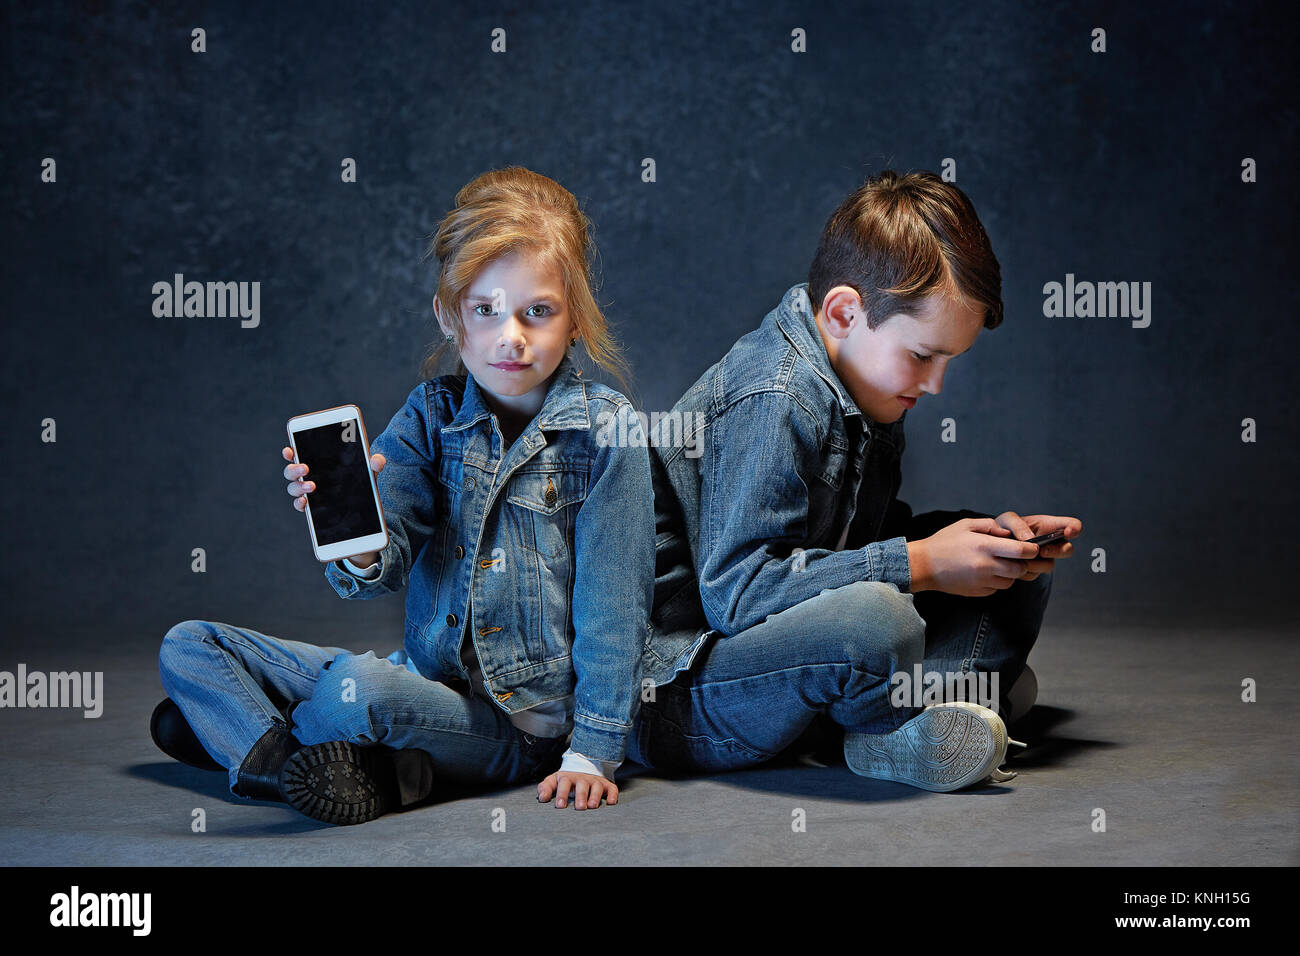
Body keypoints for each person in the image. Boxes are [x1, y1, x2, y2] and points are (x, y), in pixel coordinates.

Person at [151, 166, 654, 824]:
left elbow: (614, 610)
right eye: (486, 310)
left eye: (539, 311)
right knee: (189, 645)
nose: (512, 334)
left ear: (575, 319)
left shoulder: (607, 432)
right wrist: (351, 531)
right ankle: (300, 765)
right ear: (450, 317)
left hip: (520, 725)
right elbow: (378, 570)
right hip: (424, 680)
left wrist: (593, 751)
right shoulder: (429, 416)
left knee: (358, 697)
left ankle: (250, 741)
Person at [631, 169, 1083, 792]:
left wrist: (974, 546)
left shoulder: (865, 380)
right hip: (689, 689)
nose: (935, 385)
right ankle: (914, 719)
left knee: (1001, 573)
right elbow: (738, 597)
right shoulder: (775, 394)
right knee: (876, 621)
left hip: (781, 650)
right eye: (924, 355)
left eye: (950, 361)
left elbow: (840, 544)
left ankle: (924, 715)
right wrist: (921, 563)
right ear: (845, 311)